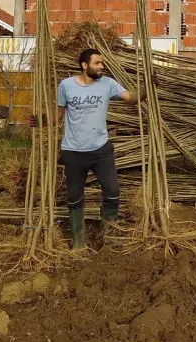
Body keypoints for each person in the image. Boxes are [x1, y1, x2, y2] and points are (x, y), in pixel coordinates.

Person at [29, 47, 154, 249]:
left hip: (101, 150)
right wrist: (42, 120)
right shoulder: (66, 86)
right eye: (97, 63)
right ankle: (79, 241)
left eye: (102, 63)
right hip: (74, 151)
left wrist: (147, 88)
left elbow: (131, 98)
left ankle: (110, 236)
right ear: (84, 65)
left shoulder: (108, 84)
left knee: (112, 191)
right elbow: (58, 114)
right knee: (75, 196)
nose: (101, 66)